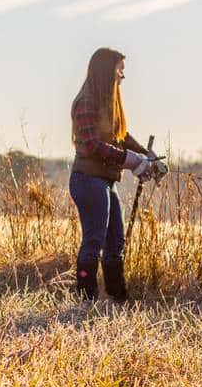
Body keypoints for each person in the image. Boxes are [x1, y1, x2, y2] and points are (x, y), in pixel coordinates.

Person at [69, 48, 167, 301]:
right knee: (93, 241)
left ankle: (118, 298)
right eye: (119, 69)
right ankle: (85, 298)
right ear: (106, 71)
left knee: (115, 242)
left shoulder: (106, 103)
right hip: (88, 181)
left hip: (105, 181)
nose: (122, 75)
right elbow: (93, 145)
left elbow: (120, 136)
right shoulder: (86, 102)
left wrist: (146, 155)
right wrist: (131, 160)